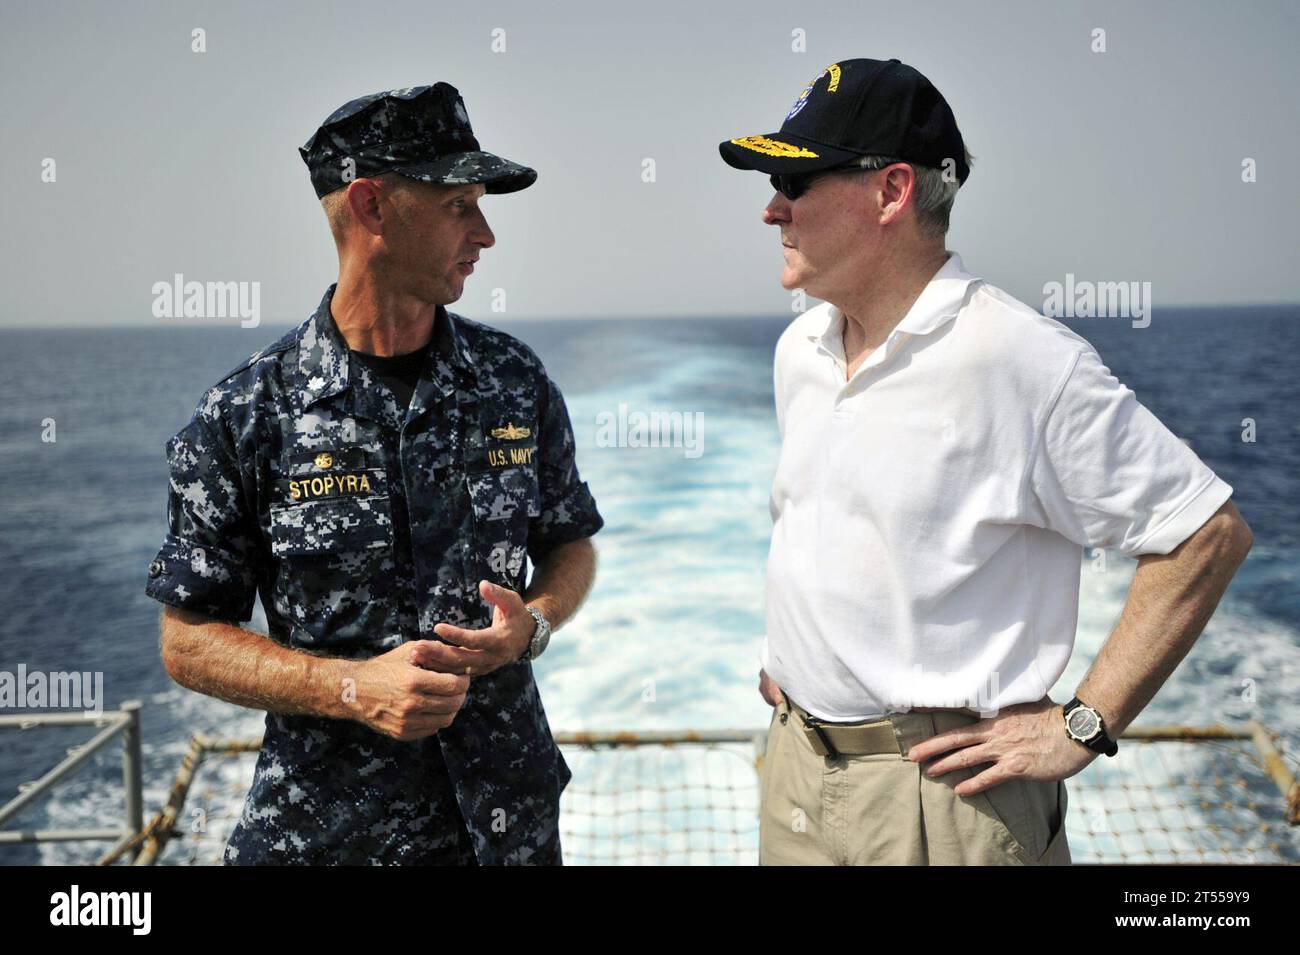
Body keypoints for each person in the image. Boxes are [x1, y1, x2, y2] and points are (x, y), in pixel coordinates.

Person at [718, 58, 1254, 865]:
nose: (771, 208)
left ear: (891, 191)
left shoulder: (1019, 359)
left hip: (942, 797)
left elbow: (1204, 534)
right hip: (795, 763)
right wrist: (794, 658)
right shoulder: (801, 347)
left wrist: (1084, 721)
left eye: (795, 180)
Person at [145, 83, 603, 865]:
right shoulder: (248, 413)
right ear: (371, 207)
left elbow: (570, 541)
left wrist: (536, 622)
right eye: (460, 204)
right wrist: (353, 688)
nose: (485, 233)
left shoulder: (512, 380)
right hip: (329, 837)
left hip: (506, 825)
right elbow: (187, 641)